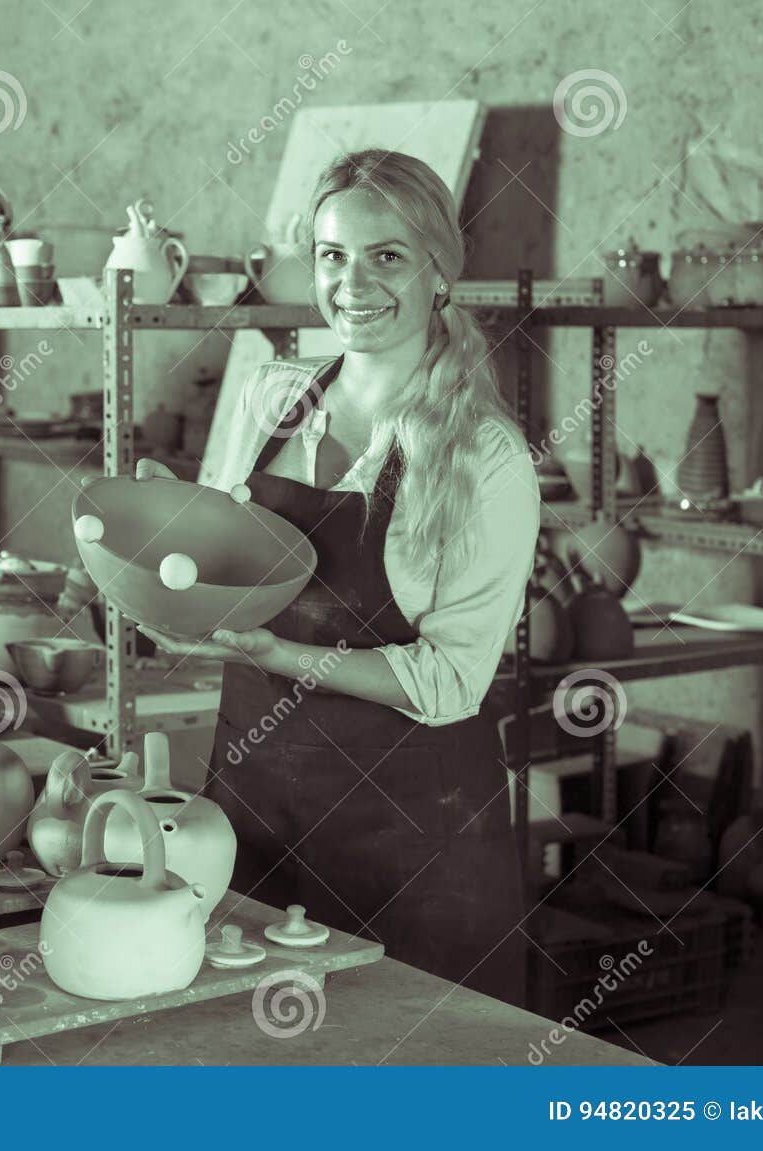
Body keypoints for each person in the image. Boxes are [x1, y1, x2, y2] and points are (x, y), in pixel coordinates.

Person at [141, 149, 539, 1003]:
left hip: (411, 835)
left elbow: (451, 679)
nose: (352, 282)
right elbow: (228, 566)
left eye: (386, 255)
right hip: (257, 811)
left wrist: (280, 659)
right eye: (331, 255)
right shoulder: (275, 399)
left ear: (440, 271)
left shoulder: (482, 455)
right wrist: (168, 585)